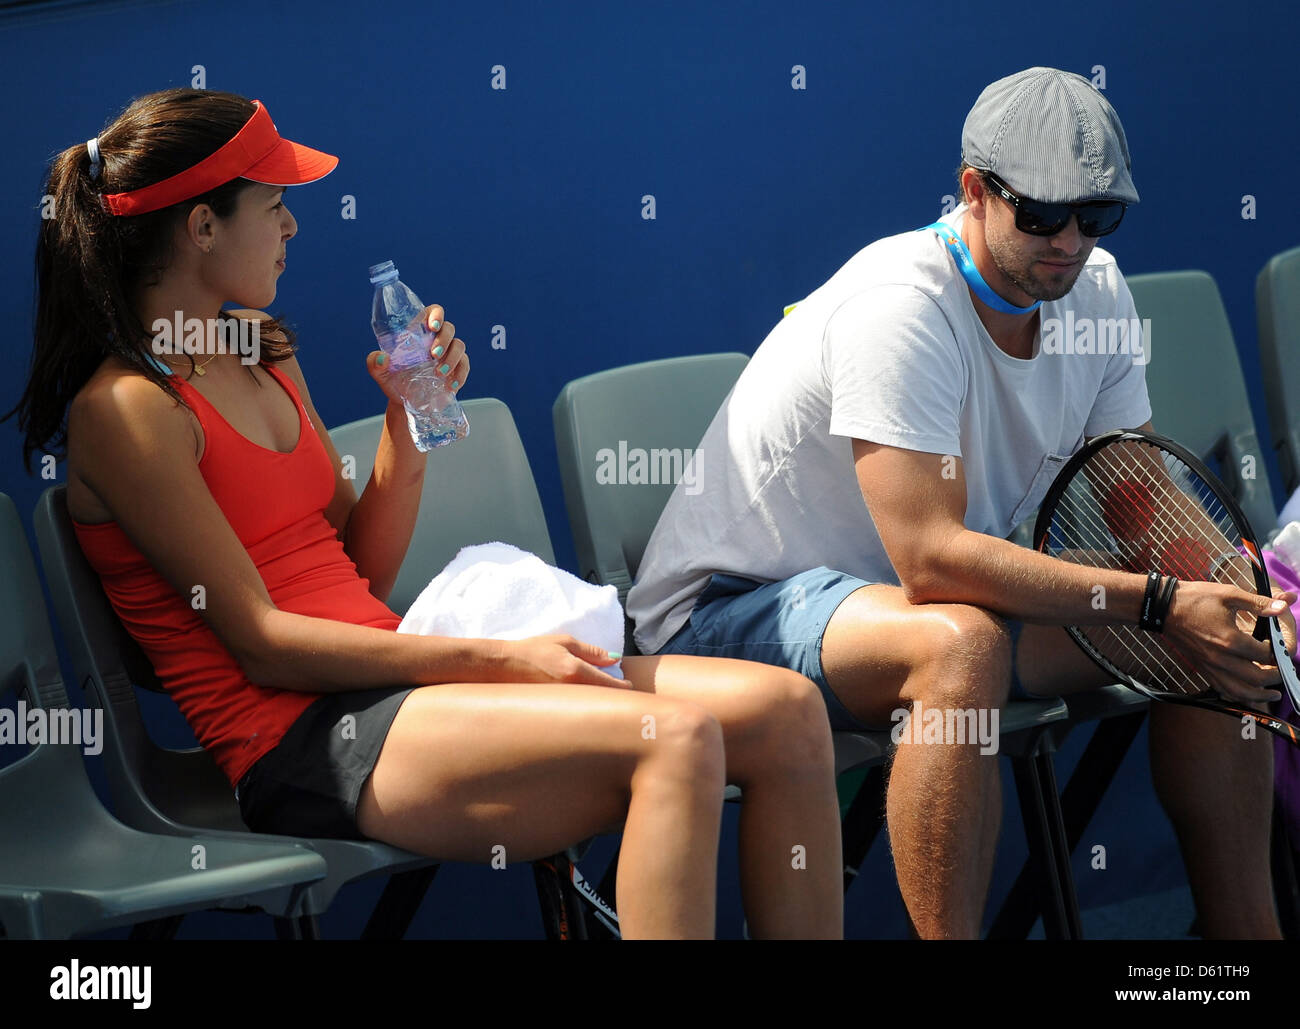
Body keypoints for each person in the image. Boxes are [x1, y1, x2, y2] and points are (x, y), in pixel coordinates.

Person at [6, 87, 843, 940]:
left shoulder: (264, 349)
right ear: (202, 226)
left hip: (397, 685)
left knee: (787, 715)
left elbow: (357, 573)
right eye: (275, 204)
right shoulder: (124, 411)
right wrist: (501, 660)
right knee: (676, 737)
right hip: (300, 738)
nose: (293, 226)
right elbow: (260, 638)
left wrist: (408, 432)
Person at [628, 67, 1294, 939]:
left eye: (1096, 217)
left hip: (905, 610)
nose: (1070, 241)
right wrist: (1166, 599)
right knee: (961, 646)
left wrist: (1255, 607)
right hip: (720, 620)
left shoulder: (1097, 292)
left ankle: (1237, 959)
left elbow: (1137, 502)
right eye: (1044, 214)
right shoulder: (898, 307)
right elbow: (933, 559)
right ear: (974, 191)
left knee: (1221, 640)